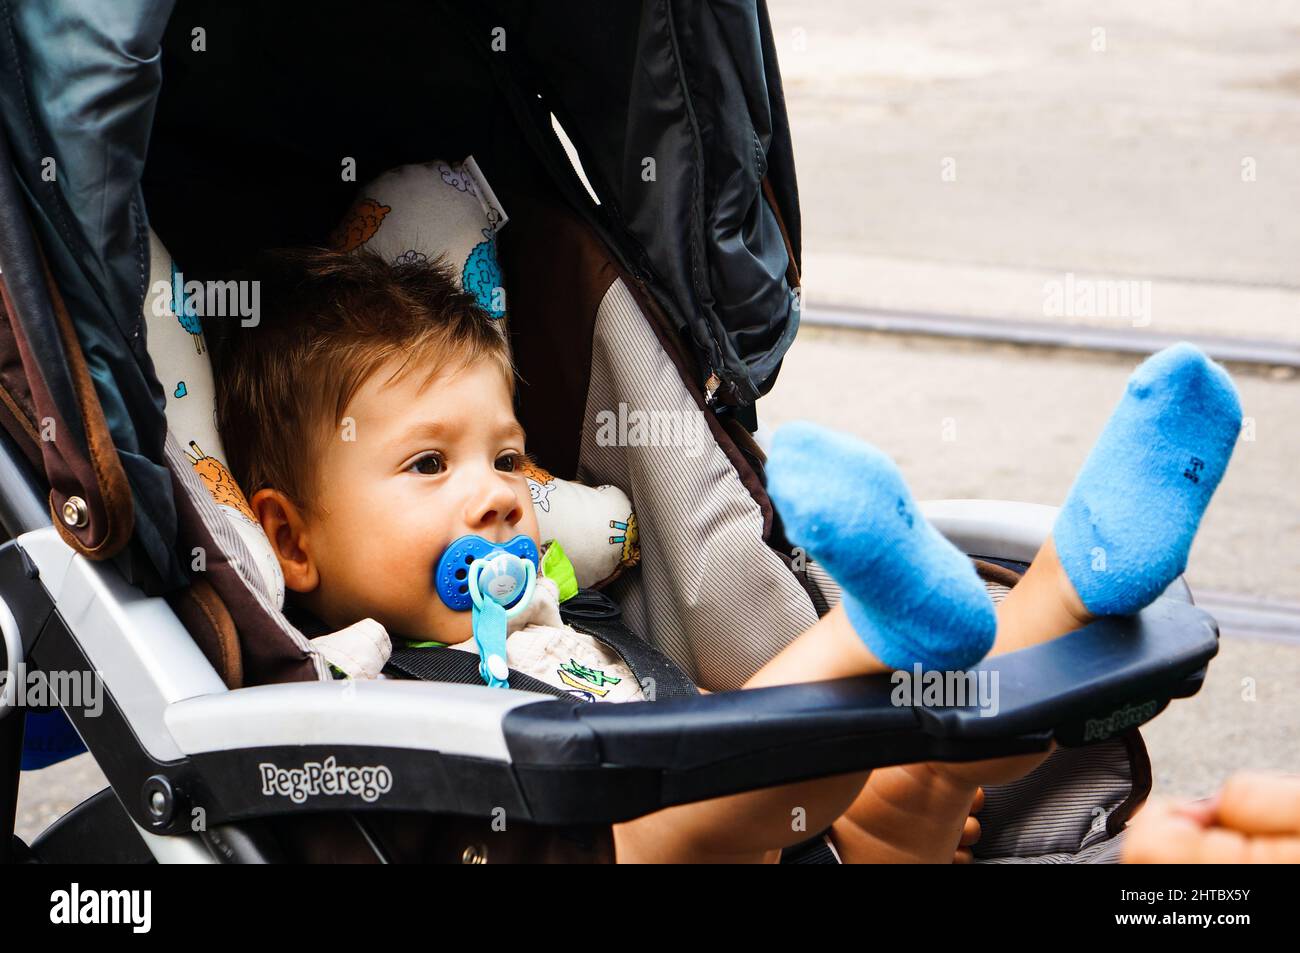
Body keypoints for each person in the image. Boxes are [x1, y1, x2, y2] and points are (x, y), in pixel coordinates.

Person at [217, 246, 1242, 863]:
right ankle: (870, 629)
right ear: (292, 538)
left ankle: (1071, 579)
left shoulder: (574, 618)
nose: (493, 491)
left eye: (510, 454)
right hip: (626, 845)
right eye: (430, 463)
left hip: (807, 835)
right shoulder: (342, 675)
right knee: (685, 820)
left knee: (913, 773)